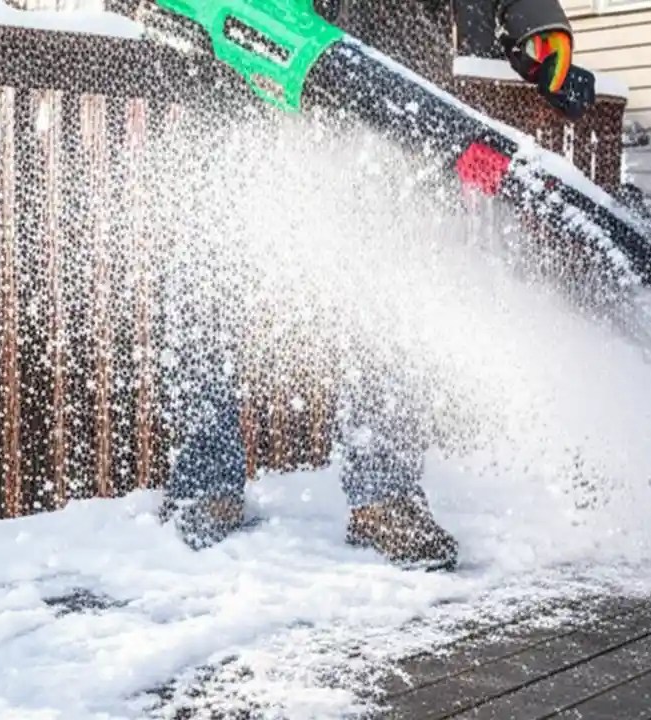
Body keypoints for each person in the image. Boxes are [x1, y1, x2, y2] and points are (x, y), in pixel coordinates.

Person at [156, 0, 581, 571]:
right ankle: (206, 480)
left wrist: (532, 15)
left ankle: (385, 494)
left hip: (383, 78)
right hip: (245, 64)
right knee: (202, 277)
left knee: (393, 297)